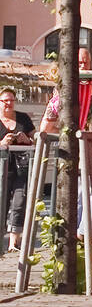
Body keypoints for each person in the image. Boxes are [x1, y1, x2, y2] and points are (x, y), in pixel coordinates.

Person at [0, 87, 35, 253]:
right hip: (2, 167)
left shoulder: (23, 118)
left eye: (12, 100)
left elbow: (36, 137)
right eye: (5, 100)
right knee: (2, 202)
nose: (9, 103)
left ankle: (13, 242)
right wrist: (2, 143)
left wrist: (27, 139)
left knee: (19, 202)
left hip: (22, 165)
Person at [40, 46, 92, 135]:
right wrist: (71, 134)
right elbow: (45, 129)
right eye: (79, 63)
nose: (83, 66)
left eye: (85, 63)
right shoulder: (60, 94)